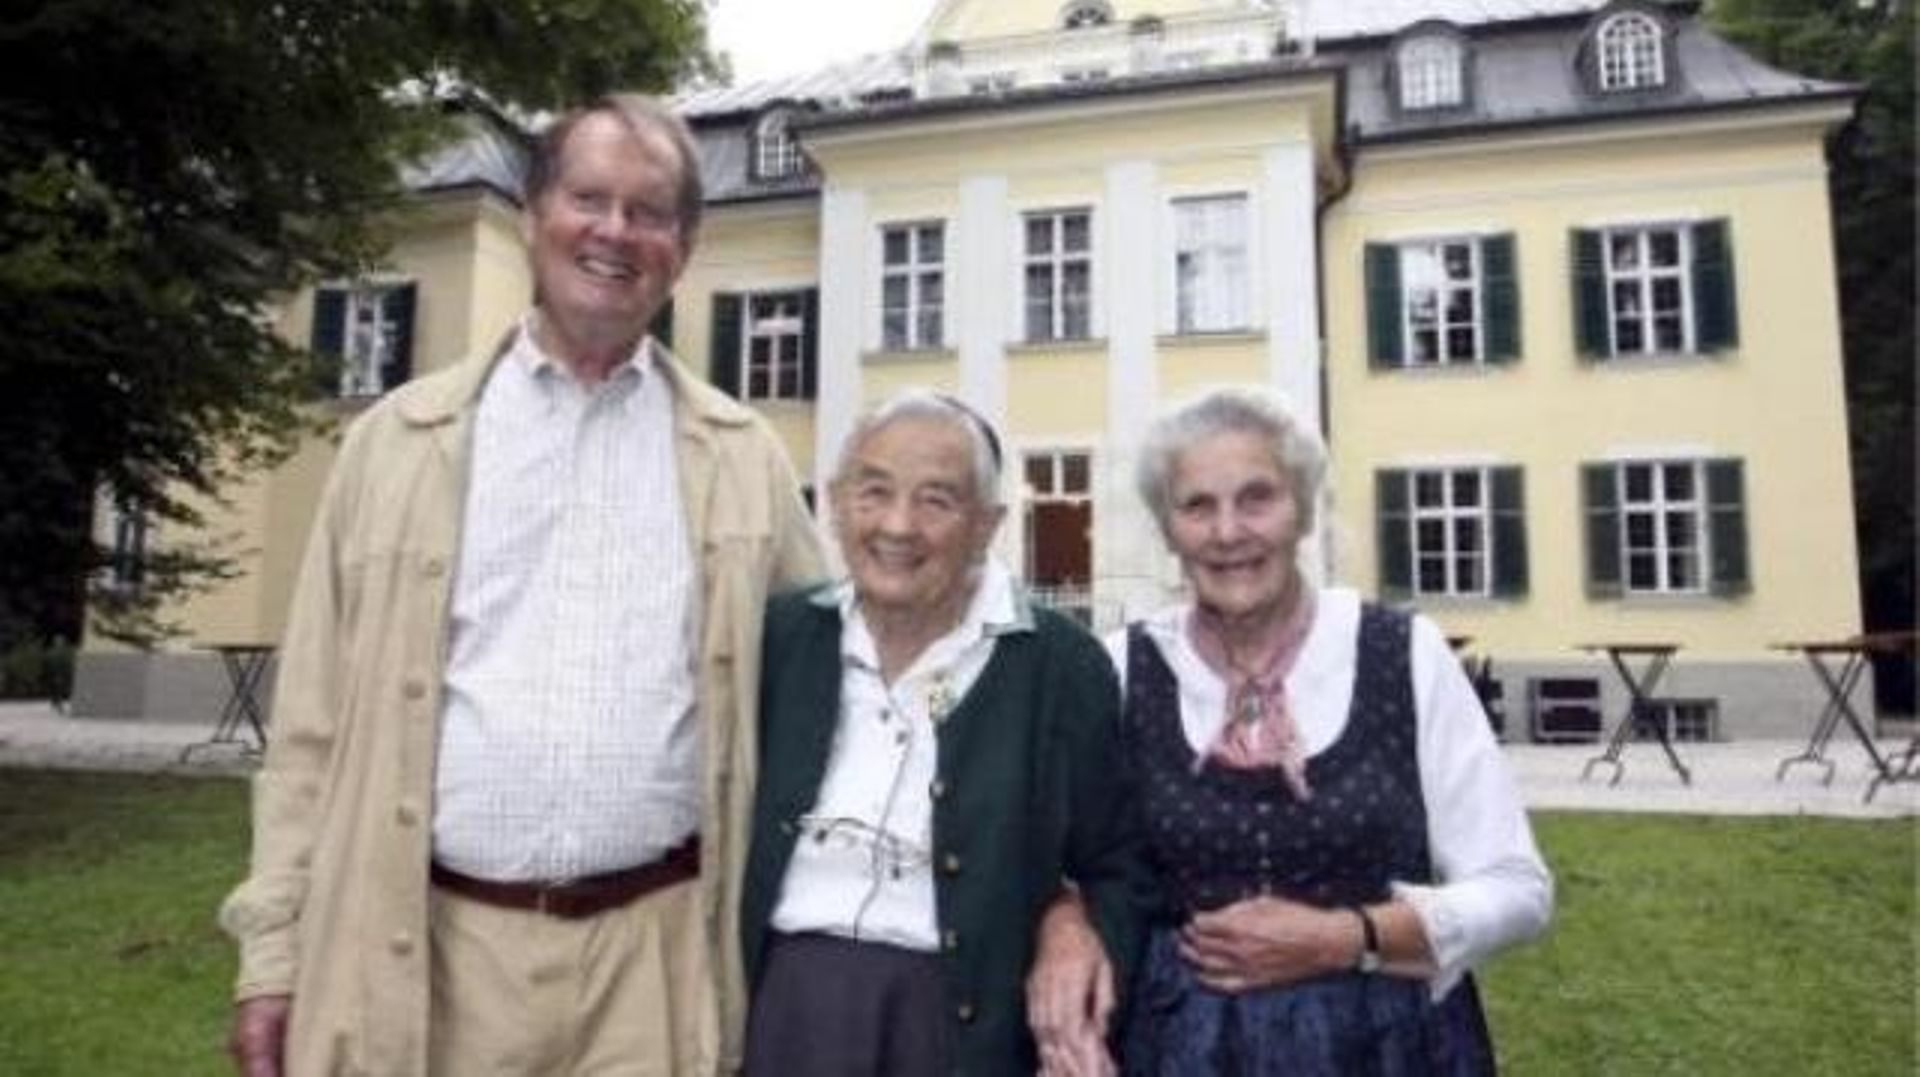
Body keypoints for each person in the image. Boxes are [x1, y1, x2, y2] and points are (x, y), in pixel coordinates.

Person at [219, 94, 823, 1077]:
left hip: (657, 965)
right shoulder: (393, 445)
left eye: (650, 211)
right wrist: (272, 957)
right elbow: (309, 734)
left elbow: (833, 693)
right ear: (534, 213)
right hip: (433, 957)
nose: (614, 233)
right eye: (590, 198)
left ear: (686, 245)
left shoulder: (745, 458)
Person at [1032, 385, 1552, 1075]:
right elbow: (1060, 863)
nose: (1227, 531)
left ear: (1303, 509)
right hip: (1174, 1048)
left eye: (1257, 497)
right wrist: (1064, 926)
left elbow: (1518, 888)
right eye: (1197, 505)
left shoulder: (1403, 653)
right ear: (1167, 527)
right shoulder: (1122, 666)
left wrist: (1346, 937)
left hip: (1384, 1047)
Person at [738, 390, 1156, 1076]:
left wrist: (1076, 920)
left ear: (988, 523)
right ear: (837, 501)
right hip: (783, 1011)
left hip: (958, 1024)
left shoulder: (1060, 665)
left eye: (937, 500)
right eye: (874, 492)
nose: (898, 526)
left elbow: (1118, 862)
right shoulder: (779, 638)